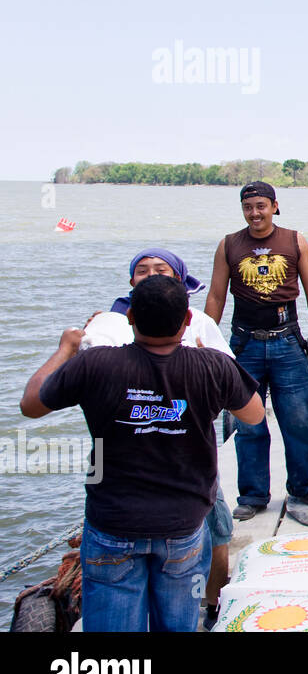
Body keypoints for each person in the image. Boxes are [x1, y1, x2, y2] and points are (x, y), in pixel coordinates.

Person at [20, 275, 264, 632]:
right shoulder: (212, 366)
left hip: (112, 525)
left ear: (130, 317)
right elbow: (254, 414)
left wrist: (66, 348)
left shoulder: (96, 364)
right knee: (178, 623)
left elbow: (31, 405)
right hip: (183, 525)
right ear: (186, 320)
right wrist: (208, 365)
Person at [82, 247, 240, 629]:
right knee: (180, 561)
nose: (150, 274)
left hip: (190, 462)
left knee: (216, 526)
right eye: (142, 270)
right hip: (136, 468)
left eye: (161, 268)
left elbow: (37, 401)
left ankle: (214, 600)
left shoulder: (200, 323)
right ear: (131, 287)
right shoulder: (107, 324)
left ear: (180, 279)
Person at [205, 182, 308, 521]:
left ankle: (304, 485)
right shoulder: (229, 245)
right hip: (244, 343)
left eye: (261, 206)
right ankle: (254, 494)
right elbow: (216, 296)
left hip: (287, 340)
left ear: (275, 206)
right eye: (248, 207)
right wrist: (203, 341)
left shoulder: (294, 240)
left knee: (299, 418)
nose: (255, 213)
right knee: (248, 423)